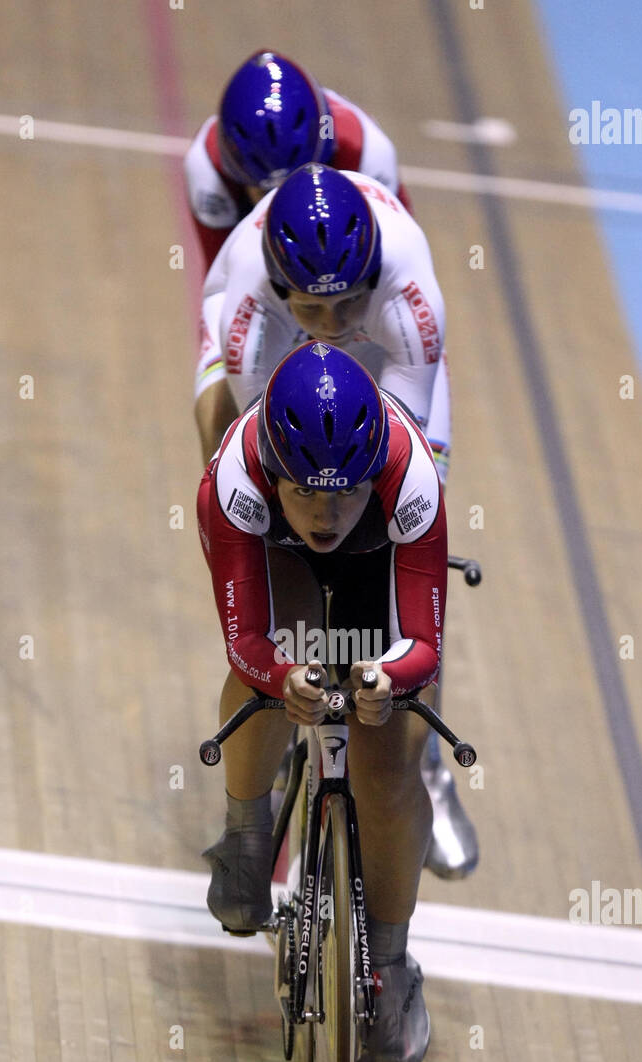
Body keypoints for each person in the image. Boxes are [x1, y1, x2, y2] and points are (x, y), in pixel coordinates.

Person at [195, 161, 477, 876]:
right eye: (312, 309)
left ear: (372, 278)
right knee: (236, 464)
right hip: (273, 376)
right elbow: (271, 446)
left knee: (407, 520)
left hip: (389, 381)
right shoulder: (250, 310)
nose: (328, 327)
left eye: (345, 304)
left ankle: (427, 764)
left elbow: (402, 443)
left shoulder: (410, 293)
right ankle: (250, 821)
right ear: (280, 284)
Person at [196, 341, 449, 1062]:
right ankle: (246, 838)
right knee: (280, 663)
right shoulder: (235, 480)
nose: (326, 511)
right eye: (305, 490)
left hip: (380, 571)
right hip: (276, 561)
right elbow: (244, 638)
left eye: (345, 491)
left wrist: (387, 676)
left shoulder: (412, 482)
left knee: (389, 769)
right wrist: (279, 676)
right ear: (275, 473)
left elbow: (424, 643)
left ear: (375, 473)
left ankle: (393, 965)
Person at [185, 49, 412, 271]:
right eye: (265, 193)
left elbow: (404, 260)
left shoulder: (364, 151)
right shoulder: (208, 168)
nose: (285, 200)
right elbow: (219, 279)